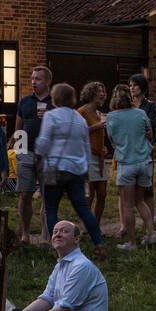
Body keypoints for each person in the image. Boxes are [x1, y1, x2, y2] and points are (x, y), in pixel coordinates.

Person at [6, 220, 109, 311]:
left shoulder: (82, 266)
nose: (58, 234)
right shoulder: (61, 264)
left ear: (76, 239)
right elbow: (46, 299)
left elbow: (65, 310)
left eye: (64, 231)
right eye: (55, 232)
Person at [35, 82, 106, 256]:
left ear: (54, 98)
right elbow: (85, 146)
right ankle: (98, 243)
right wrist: (86, 167)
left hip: (53, 167)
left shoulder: (51, 116)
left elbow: (43, 143)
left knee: (51, 208)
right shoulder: (79, 119)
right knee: (82, 208)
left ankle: (56, 244)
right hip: (76, 169)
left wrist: (38, 154)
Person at [105, 83, 156, 250]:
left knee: (127, 205)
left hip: (126, 163)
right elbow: (149, 134)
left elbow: (112, 141)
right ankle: (150, 233)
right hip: (144, 162)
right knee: (140, 201)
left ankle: (132, 242)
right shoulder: (141, 113)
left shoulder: (111, 117)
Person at [13, 65, 54, 245]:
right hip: (26, 152)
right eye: (32, 78)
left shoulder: (55, 102)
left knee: (48, 195)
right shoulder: (25, 101)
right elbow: (18, 127)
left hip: (48, 155)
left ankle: (46, 235)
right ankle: (25, 234)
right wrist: (18, 151)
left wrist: (49, 117)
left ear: (47, 81)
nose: (33, 82)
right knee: (25, 194)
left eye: (37, 79)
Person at [77, 81, 110, 226]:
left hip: (100, 157)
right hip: (87, 157)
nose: (102, 94)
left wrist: (103, 147)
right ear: (90, 94)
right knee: (89, 195)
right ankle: (85, 226)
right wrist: (95, 127)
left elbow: (99, 136)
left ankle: (96, 225)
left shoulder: (99, 114)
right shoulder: (81, 112)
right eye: (99, 91)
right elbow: (76, 133)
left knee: (102, 194)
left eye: (103, 91)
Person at [129, 73, 156, 236]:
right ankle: (124, 226)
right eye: (130, 85)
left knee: (147, 190)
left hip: (145, 151)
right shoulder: (126, 105)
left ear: (142, 87)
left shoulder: (150, 106)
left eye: (135, 85)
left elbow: (152, 126)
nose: (132, 88)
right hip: (129, 151)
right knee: (126, 193)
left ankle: (150, 225)